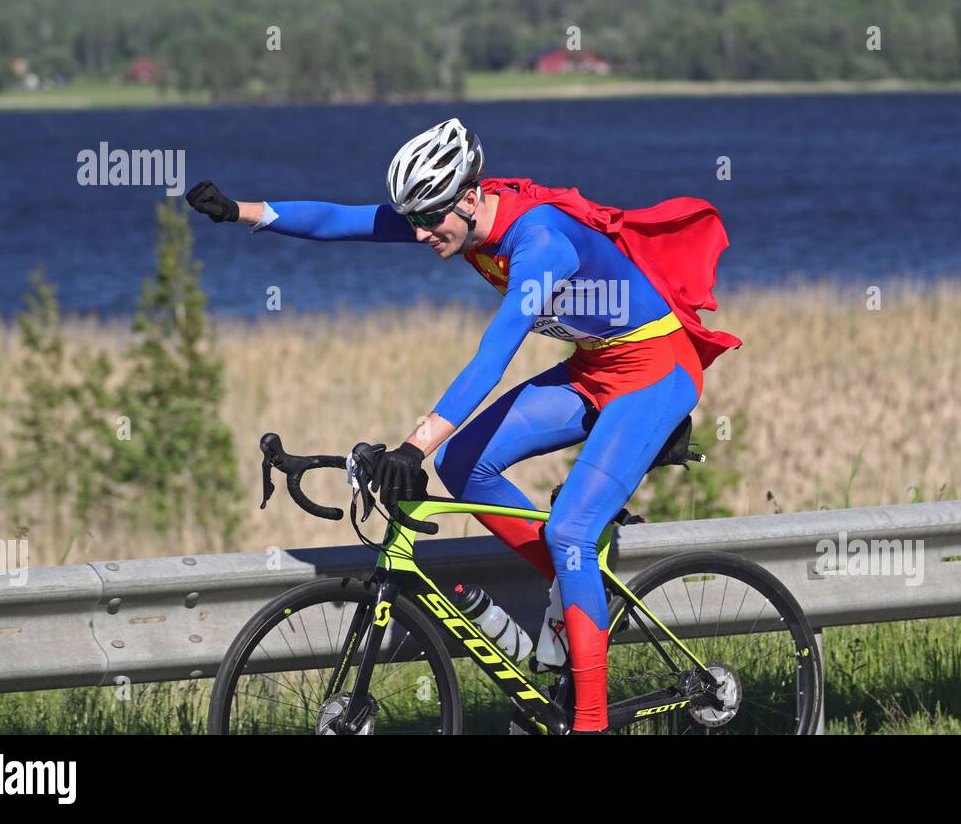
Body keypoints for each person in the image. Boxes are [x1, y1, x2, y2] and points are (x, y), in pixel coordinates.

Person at [187, 117, 741, 733]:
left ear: (470, 196)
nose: (422, 234)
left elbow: (494, 353)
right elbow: (343, 221)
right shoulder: (455, 215)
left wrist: (413, 444)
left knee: (570, 531)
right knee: (463, 464)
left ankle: (589, 722)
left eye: (430, 220)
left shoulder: (541, 243)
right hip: (594, 368)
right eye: (416, 220)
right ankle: (575, 585)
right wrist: (240, 211)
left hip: (655, 373)